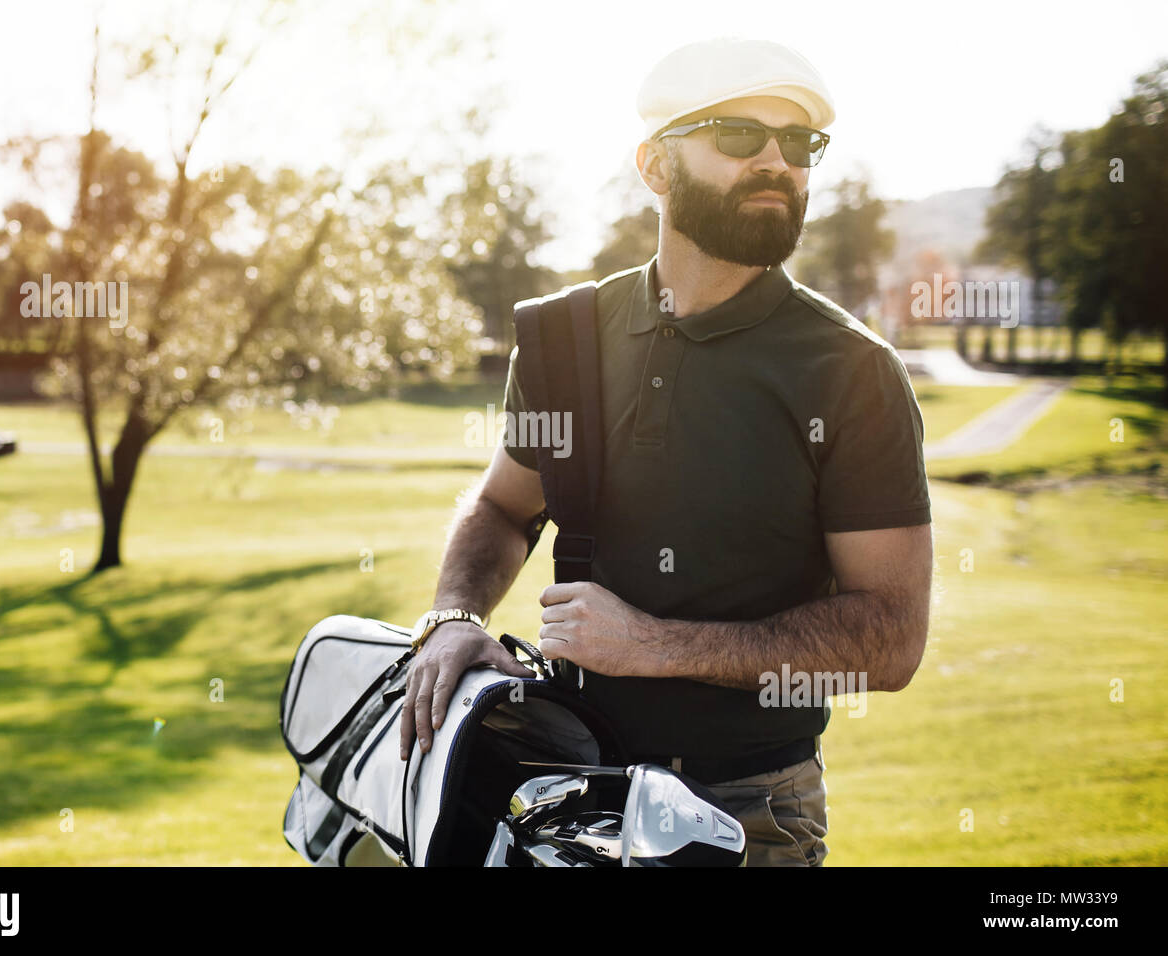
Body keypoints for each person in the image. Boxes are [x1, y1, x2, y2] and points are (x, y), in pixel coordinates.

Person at [399, 36, 933, 866]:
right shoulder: (564, 339)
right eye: (737, 136)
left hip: (748, 813)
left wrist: (655, 646)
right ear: (654, 165)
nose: (775, 163)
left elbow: (891, 637)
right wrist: (456, 617)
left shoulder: (854, 372)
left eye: (797, 145)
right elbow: (506, 508)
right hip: (560, 782)